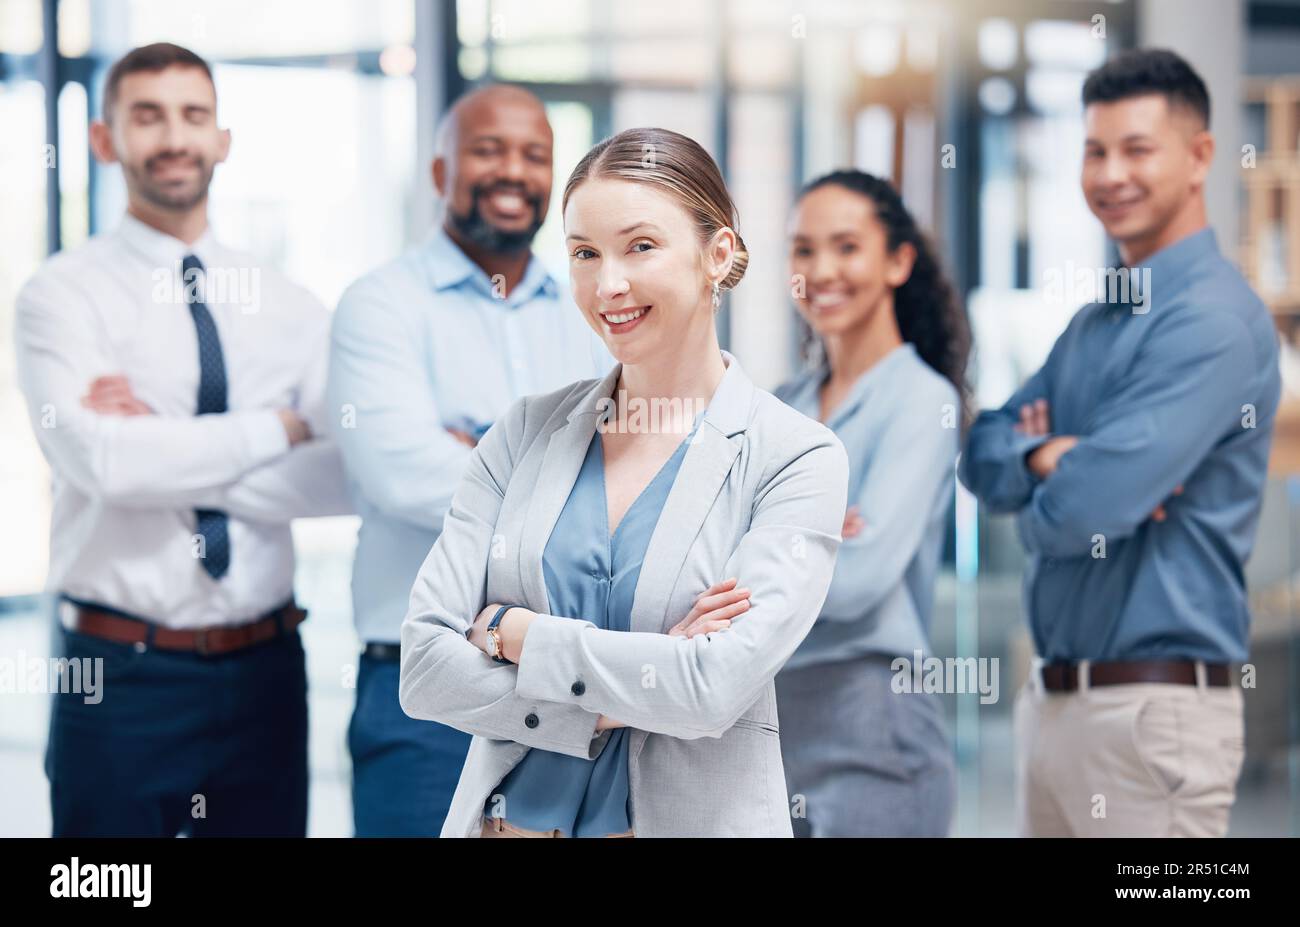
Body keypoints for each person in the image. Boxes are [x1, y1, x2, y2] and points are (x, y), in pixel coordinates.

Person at [397, 126, 850, 837]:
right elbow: (424, 667)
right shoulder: (523, 434)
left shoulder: (794, 456)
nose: (608, 284)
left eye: (640, 246)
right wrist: (634, 684)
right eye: (584, 253)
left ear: (717, 254)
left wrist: (515, 632)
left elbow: (710, 689)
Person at [14, 43, 351, 837]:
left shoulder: (291, 304)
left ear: (222, 139)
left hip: (267, 667)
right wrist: (281, 427)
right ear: (104, 139)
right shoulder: (60, 295)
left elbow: (343, 474)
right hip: (120, 672)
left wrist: (163, 451)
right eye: (148, 115)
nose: (174, 137)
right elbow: (99, 459)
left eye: (193, 115)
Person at [959, 48, 1280, 837]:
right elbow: (980, 452)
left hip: (1153, 720)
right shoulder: (1096, 321)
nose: (1110, 174)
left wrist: (1051, 495)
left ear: (1201, 156)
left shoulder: (1211, 321)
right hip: (1058, 704)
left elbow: (1080, 513)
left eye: (1137, 148)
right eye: (1095, 150)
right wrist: (1045, 456)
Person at [327, 84, 612, 836]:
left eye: (535, 155)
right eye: (488, 150)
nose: (513, 170)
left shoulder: (592, 309)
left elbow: (642, 463)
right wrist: (575, 469)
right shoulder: (380, 305)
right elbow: (403, 475)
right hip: (424, 688)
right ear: (439, 169)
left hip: (568, 678)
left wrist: (482, 450)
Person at [774, 170, 968, 837]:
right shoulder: (782, 406)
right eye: (803, 250)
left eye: (847, 247)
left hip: (875, 720)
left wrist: (761, 534)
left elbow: (856, 581)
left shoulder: (923, 400)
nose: (822, 269)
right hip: (770, 727)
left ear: (897, 261)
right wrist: (809, 534)